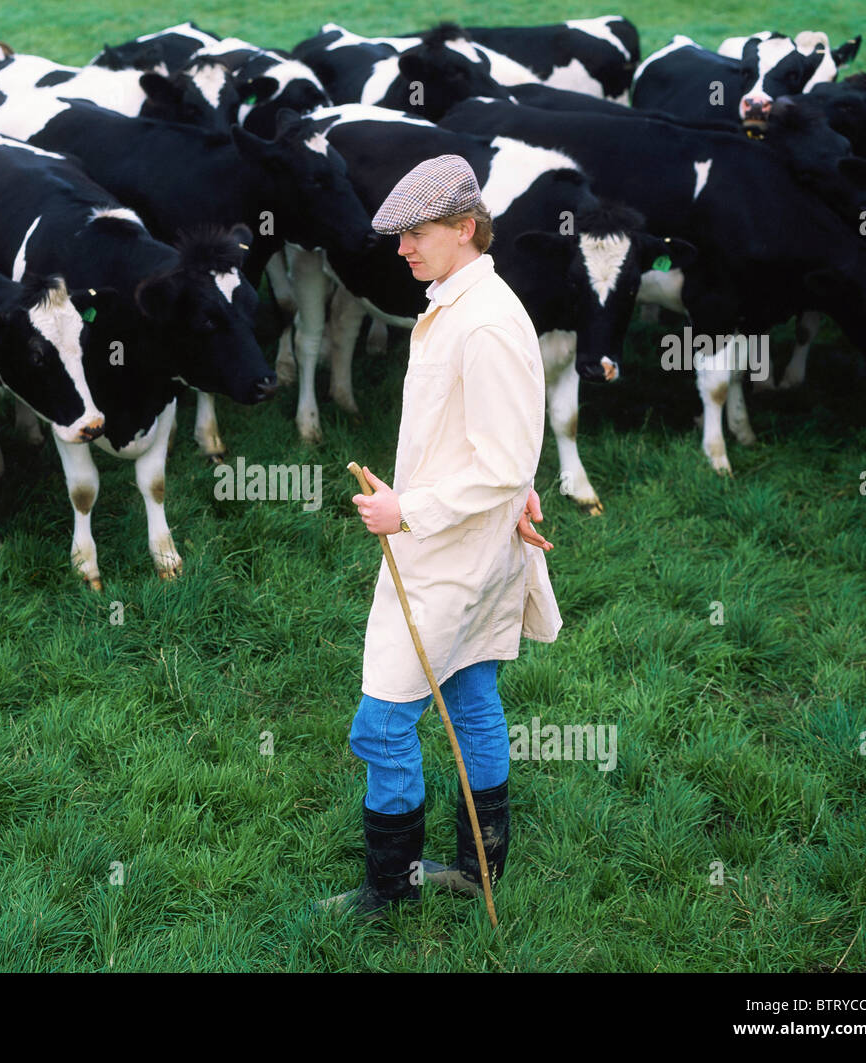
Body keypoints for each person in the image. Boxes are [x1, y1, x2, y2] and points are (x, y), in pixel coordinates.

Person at [323, 154, 563, 918]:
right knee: (469, 692)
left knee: (383, 721)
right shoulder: (458, 300)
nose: (401, 250)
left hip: (449, 553)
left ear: (465, 228)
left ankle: (390, 890)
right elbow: (503, 440)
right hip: (469, 541)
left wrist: (408, 512)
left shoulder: (485, 320)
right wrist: (519, 486)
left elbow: (500, 455)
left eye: (414, 234)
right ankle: (476, 869)